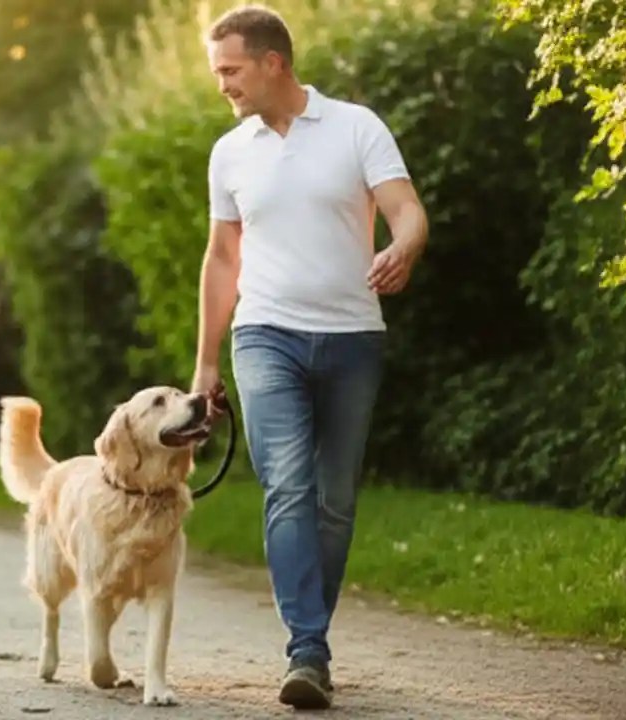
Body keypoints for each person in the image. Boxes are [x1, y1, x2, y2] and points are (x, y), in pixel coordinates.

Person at [190, 3, 429, 711]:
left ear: (273, 62)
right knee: (288, 485)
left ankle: (308, 640)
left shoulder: (356, 127)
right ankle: (308, 649)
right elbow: (222, 256)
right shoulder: (230, 152)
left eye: (230, 71)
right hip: (265, 334)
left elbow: (406, 208)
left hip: (354, 336)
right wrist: (206, 364)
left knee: (335, 499)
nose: (223, 86)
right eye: (216, 73)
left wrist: (404, 245)